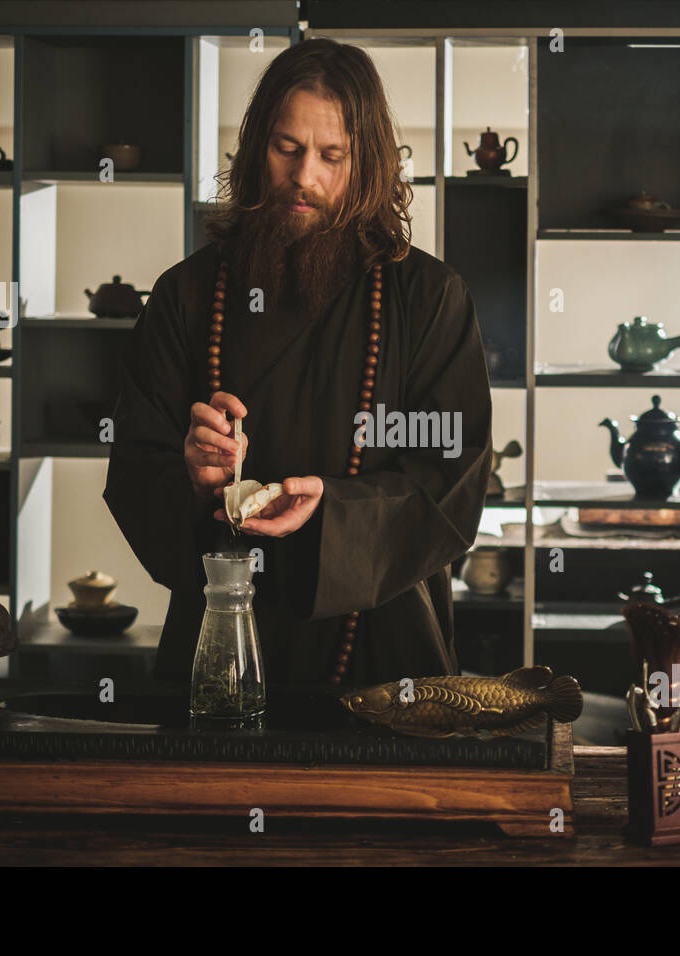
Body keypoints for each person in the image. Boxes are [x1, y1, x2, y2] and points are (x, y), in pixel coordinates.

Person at [104, 38, 493, 687]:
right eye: (287, 148)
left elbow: (452, 484)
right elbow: (135, 467)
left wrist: (334, 511)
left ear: (364, 163)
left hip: (383, 650)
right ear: (258, 146)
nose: (305, 175)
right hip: (216, 644)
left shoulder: (427, 297)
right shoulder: (188, 295)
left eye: (331, 156)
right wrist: (196, 480)